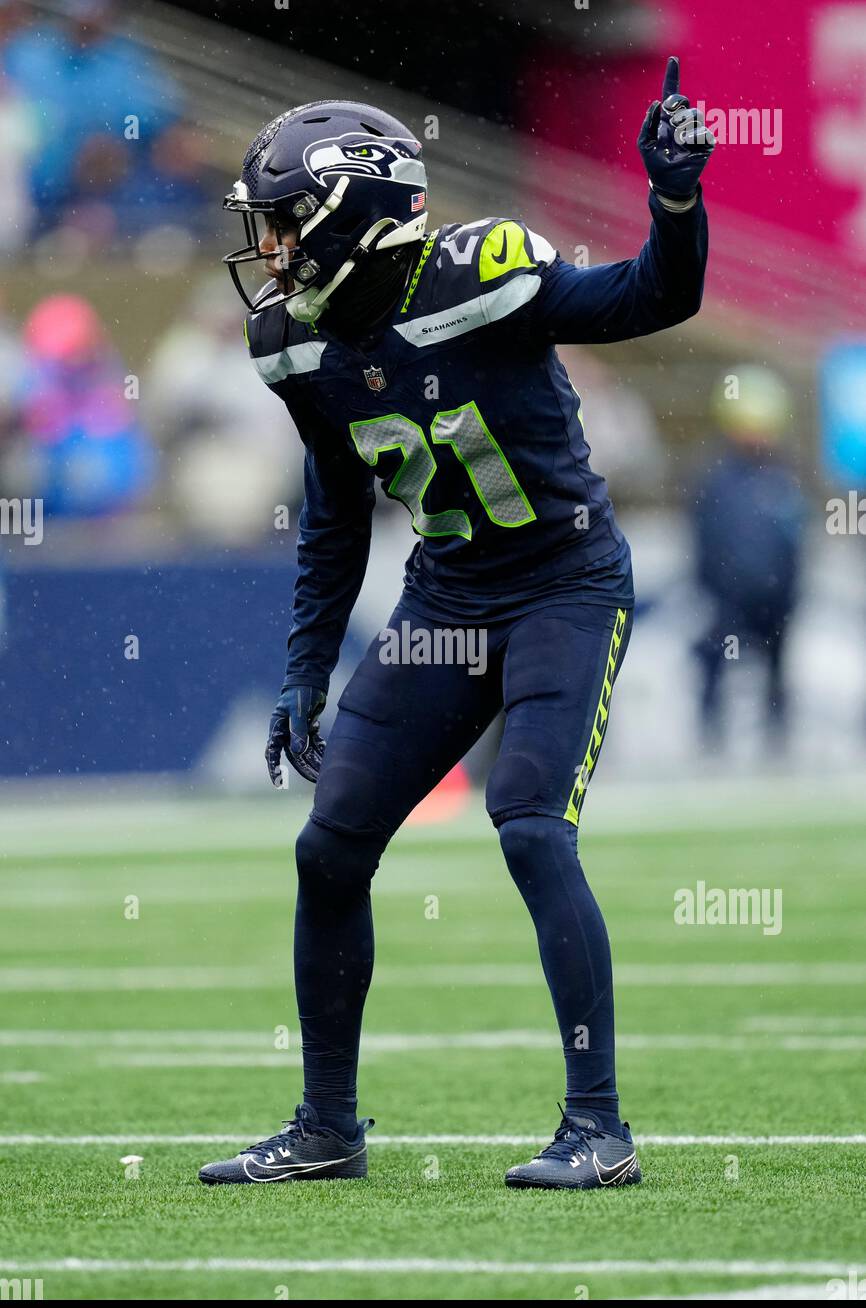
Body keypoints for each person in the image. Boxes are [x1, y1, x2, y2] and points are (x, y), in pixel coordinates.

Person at [199, 59, 713, 1190]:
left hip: (564, 584)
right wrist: (304, 668)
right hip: (447, 599)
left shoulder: (481, 275)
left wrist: (675, 201)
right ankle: (327, 1127)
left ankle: (599, 1128)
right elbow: (336, 513)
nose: (270, 253)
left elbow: (648, 299)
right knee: (329, 847)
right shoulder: (293, 342)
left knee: (529, 825)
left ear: (349, 216)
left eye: (284, 224)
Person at [692, 366, 805, 751]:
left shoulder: (784, 476)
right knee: (715, 665)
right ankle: (710, 740)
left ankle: (778, 743)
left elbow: (794, 542)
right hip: (727, 597)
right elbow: (705, 539)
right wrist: (709, 589)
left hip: (775, 599)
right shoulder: (716, 478)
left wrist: (791, 592)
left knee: (776, 672)